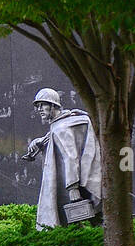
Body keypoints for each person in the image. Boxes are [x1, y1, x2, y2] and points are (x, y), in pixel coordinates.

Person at [21, 87, 101, 228]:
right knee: (85, 221)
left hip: (73, 184)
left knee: (82, 219)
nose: (39, 109)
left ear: (53, 105)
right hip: (77, 179)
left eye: (43, 104)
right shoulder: (65, 122)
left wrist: (73, 189)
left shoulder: (61, 128)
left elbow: (71, 157)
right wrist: (41, 142)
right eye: (38, 106)